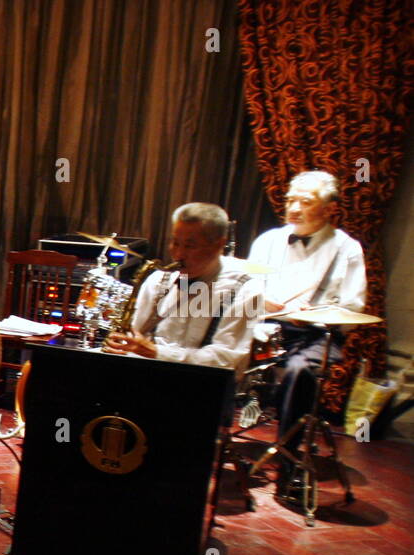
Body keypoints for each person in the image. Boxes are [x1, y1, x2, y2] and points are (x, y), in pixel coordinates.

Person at [247, 170, 367, 465]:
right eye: (291, 200)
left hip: (317, 336)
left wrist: (313, 316)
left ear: (329, 208)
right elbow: (246, 289)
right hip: (266, 326)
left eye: (306, 202)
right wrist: (264, 301)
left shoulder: (347, 249)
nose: (294, 208)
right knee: (217, 352)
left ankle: (288, 455)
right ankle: (215, 439)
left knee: (299, 371)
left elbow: (352, 308)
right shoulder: (267, 241)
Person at [104, 202, 262, 373]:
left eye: (189, 246)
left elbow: (225, 359)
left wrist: (157, 352)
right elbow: (134, 334)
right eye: (175, 242)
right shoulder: (158, 280)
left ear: (219, 245)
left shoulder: (245, 290)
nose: (178, 254)